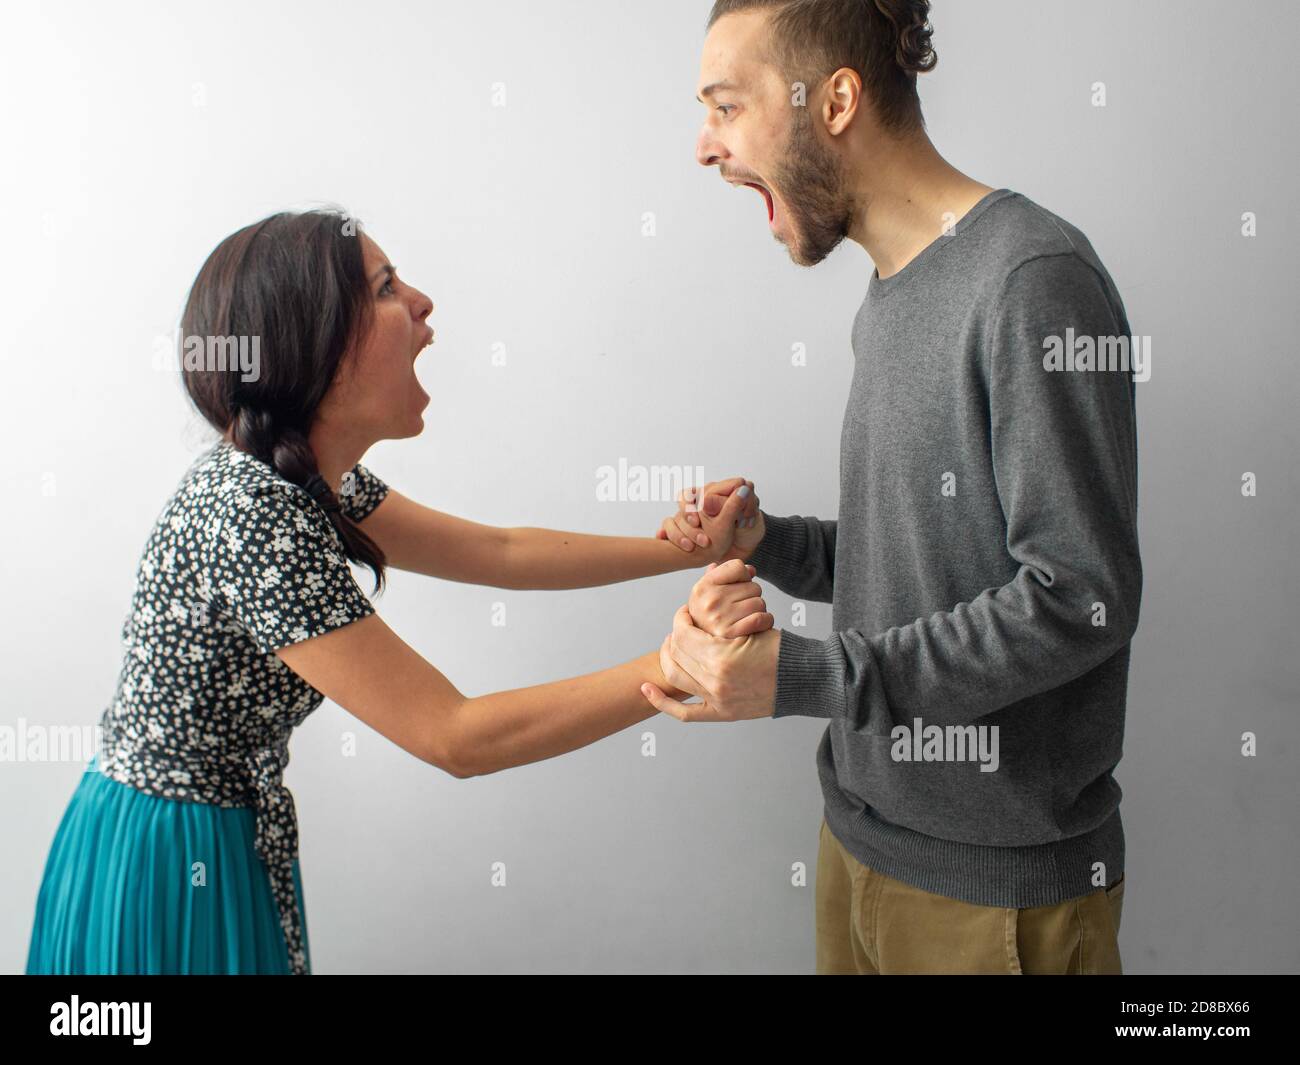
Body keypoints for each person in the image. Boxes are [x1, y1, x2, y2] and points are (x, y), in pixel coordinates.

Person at [25, 208, 771, 975]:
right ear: (313, 344)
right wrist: (679, 665)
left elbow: (501, 551)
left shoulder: (295, 476)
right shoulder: (255, 513)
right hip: (164, 861)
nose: (422, 302)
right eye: (386, 287)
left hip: (204, 836)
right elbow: (455, 734)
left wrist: (684, 550)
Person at [643, 0, 1142, 974]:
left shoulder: (1030, 280)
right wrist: (768, 542)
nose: (704, 146)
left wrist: (807, 677)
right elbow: (926, 560)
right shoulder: (890, 294)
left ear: (833, 100)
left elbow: (1079, 601)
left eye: (725, 105)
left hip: (989, 895)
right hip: (860, 839)